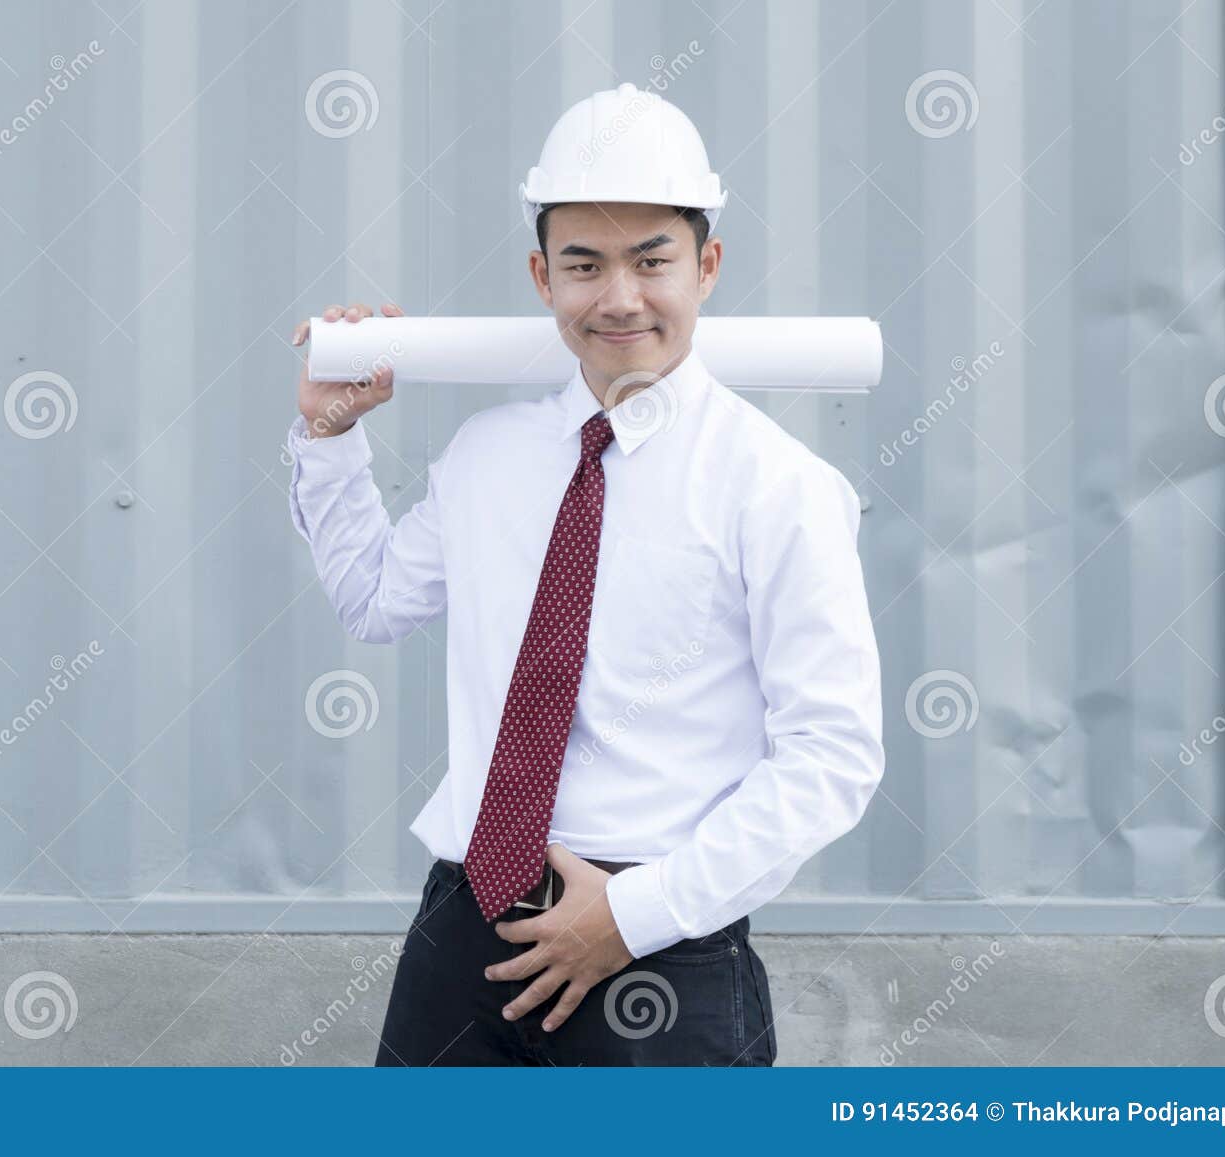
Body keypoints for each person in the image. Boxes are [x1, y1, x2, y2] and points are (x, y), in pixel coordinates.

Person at [285, 83, 884, 1066]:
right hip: (464, 928)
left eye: (652, 260)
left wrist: (632, 914)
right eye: (583, 265)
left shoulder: (777, 485)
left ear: (707, 266)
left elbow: (831, 754)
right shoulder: (487, 456)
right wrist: (329, 433)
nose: (619, 298)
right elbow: (374, 600)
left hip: (660, 949)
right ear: (542, 276)